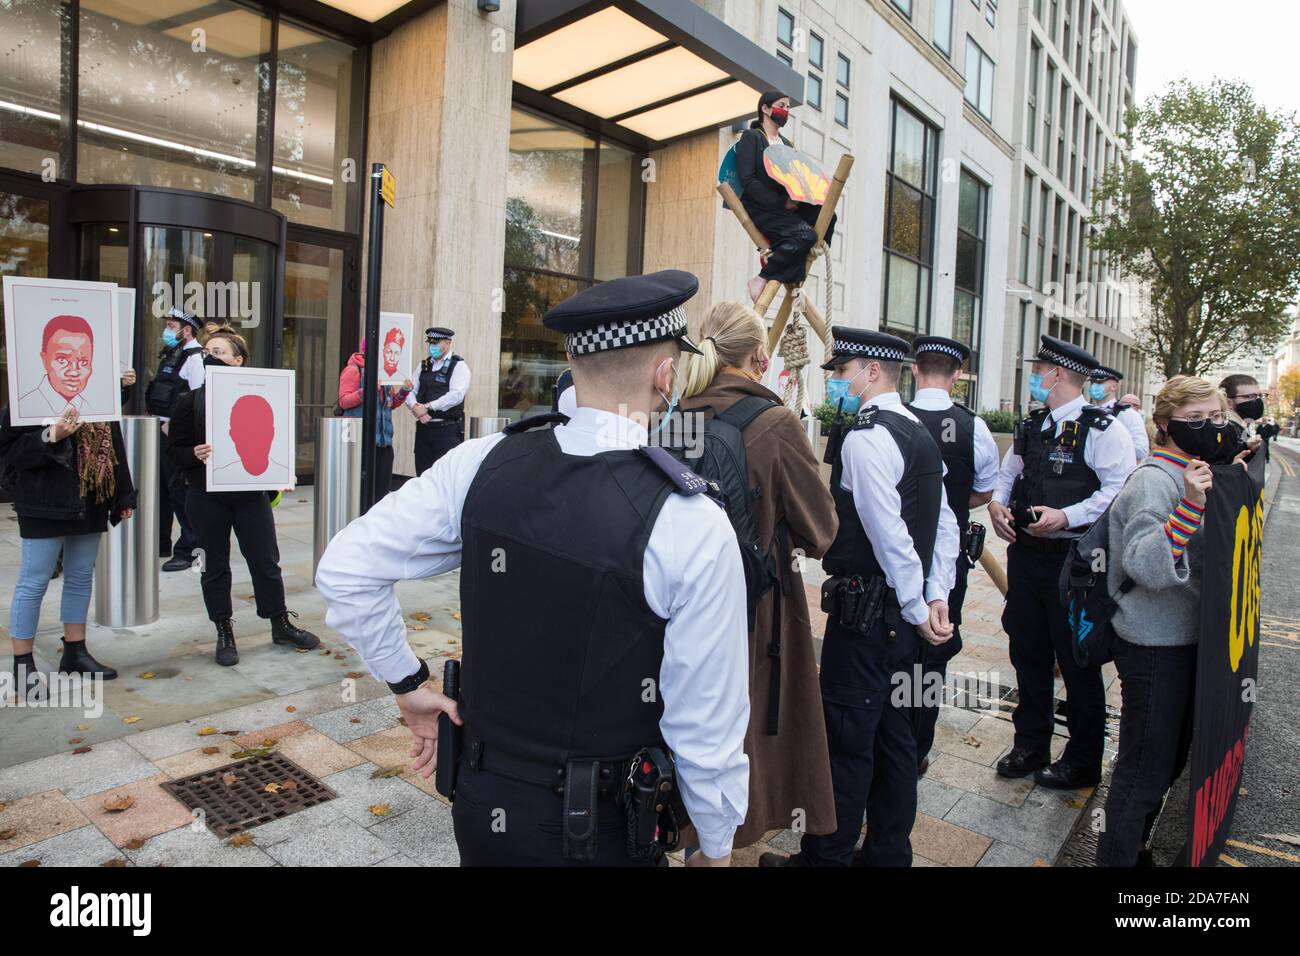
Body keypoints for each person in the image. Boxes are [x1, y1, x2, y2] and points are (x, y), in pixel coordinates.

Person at [316, 270, 752, 867]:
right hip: (605, 828)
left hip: (482, 803)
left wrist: (406, 683)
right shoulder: (691, 521)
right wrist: (716, 843)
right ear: (666, 375)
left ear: (574, 363)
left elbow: (344, 568)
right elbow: (706, 718)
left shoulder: (482, 462)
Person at [763, 327, 959, 867]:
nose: (837, 383)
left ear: (873, 371)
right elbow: (945, 524)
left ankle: (824, 858)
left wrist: (922, 608)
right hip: (900, 617)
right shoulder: (919, 431)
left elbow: (887, 533)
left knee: (847, 743)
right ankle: (888, 855)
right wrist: (936, 595)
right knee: (896, 742)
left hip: (872, 617)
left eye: (843, 372)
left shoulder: (867, 437)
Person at [679, 302, 838, 848]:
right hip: (756, 612)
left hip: (675, 607)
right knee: (745, 726)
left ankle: (680, 828)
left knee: (685, 714)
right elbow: (821, 529)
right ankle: (722, 841)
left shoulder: (670, 417)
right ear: (759, 356)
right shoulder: (774, 423)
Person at [1096, 376, 1250, 866]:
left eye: (1217, 418)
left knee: (1169, 761)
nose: (1211, 428)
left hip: (1183, 638)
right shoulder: (1155, 480)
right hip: (1152, 644)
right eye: (1196, 420)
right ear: (1164, 425)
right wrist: (1191, 507)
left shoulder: (1195, 470)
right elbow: (1145, 564)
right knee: (1143, 770)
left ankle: (1135, 847)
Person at [988, 335, 1136, 790]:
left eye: (1039, 369)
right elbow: (1007, 474)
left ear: (1056, 375)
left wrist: (1066, 516)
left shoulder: (1103, 429)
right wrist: (996, 507)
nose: (1034, 375)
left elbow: (1119, 488)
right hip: (1027, 558)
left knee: (1077, 661)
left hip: (1073, 563)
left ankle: (1083, 758)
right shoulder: (1033, 425)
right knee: (1027, 652)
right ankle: (1030, 745)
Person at [165, 330, 319, 666]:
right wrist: (194, 454)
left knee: (265, 561)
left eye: (220, 352)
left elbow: (275, 445)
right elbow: (174, 452)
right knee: (213, 566)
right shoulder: (189, 402)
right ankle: (223, 630)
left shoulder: (262, 399)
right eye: (207, 351)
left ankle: (280, 623)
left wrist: (281, 474)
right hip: (206, 497)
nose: (211, 356)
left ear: (239, 361)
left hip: (250, 497)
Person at [904, 335, 1000, 774]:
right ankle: (917, 745)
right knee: (935, 651)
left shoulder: (895, 416)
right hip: (949, 556)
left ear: (914, 370)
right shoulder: (973, 426)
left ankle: (892, 734)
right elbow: (984, 487)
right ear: (957, 375)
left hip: (897, 553)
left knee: (896, 647)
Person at [1, 402, 137, 695]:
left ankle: (75, 653)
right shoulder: (28, 394)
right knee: (34, 581)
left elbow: (114, 443)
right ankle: (23, 666)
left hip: (91, 498)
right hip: (42, 501)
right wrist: (50, 435)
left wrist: (124, 494)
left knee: (79, 576)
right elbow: (9, 452)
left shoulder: (98, 391)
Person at [735, 91, 836, 302]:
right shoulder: (752, 138)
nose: (786, 111)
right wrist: (781, 202)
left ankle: (798, 258)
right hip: (763, 206)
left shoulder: (787, 145)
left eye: (789, 107)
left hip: (790, 203)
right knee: (805, 236)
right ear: (765, 108)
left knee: (829, 216)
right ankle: (763, 276)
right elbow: (748, 180)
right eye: (782, 105)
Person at [145, 307, 205, 571]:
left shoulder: (194, 358)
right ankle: (161, 542)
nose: (167, 331)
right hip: (158, 429)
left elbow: (197, 399)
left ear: (186, 329)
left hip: (175, 435)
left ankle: (190, 547)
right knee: (162, 490)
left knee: (179, 490)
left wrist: (177, 426)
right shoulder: (174, 354)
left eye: (171, 326)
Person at [337, 337, 412, 501]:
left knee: (381, 494)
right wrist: (366, 391)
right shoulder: (353, 370)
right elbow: (343, 400)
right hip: (362, 443)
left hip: (384, 443)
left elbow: (390, 403)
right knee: (362, 493)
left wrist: (404, 392)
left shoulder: (384, 372)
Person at [407, 327, 470, 475]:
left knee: (445, 477)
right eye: (430, 343)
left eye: (436, 343)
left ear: (448, 343)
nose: (432, 347)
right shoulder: (424, 365)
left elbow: (456, 395)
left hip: (446, 431)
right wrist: (416, 408)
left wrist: (428, 407)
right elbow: (410, 390)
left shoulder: (458, 366)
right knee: (422, 475)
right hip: (424, 429)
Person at [17, 315, 96, 419]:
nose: (74, 372)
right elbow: (10, 436)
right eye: (62, 360)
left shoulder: (95, 408)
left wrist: (123, 388)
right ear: (44, 360)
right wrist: (50, 435)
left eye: (83, 362)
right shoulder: (23, 407)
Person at [1088, 365, 1149, 461]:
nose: (1094, 386)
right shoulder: (1087, 412)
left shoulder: (1128, 415)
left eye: (1099, 382)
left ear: (1114, 386)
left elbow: (1141, 451)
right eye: (1093, 382)